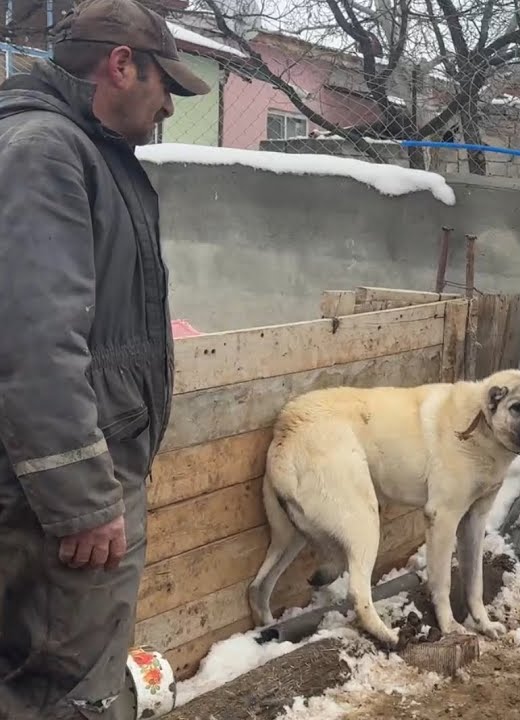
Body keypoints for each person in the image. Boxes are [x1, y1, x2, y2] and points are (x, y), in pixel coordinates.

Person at [0, 0, 210, 716]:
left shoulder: (90, 153)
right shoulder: (45, 151)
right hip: (57, 503)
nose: (166, 113)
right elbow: (32, 340)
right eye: (165, 90)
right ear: (122, 65)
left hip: (81, 479)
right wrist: (83, 499)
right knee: (59, 686)